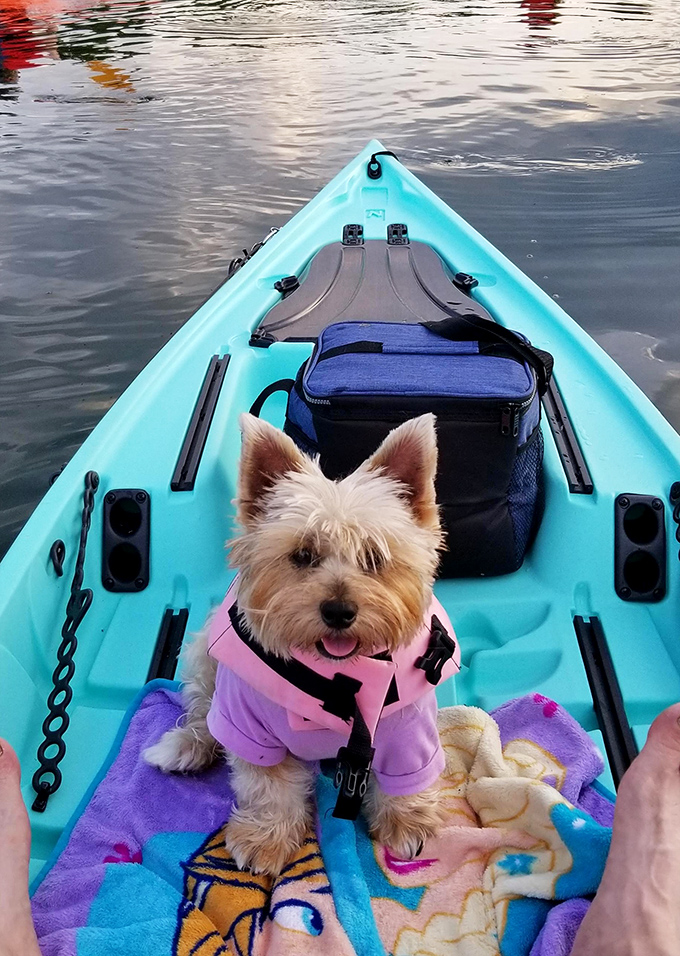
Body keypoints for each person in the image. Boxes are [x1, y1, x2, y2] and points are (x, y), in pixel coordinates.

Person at [3, 705, 680, 956]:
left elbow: (411, 732)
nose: (340, 595)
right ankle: (638, 925)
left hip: (389, 696)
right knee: (229, 683)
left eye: (371, 561)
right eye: (304, 557)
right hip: (260, 686)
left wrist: (403, 794)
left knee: (404, 750)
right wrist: (271, 812)